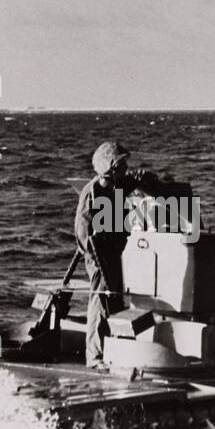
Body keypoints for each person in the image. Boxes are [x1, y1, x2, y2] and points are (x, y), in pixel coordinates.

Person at [74, 140, 159, 368]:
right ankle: (95, 357)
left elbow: (135, 182)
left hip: (116, 252)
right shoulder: (93, 191)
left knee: (115, 301)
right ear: (111, 166)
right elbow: (82, 231)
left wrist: (145, 177)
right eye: (122, 164)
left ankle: (113, 349)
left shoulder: (116, 186)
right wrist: (94, 254)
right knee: (101, 301)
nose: (125, 167)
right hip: (100, 256)